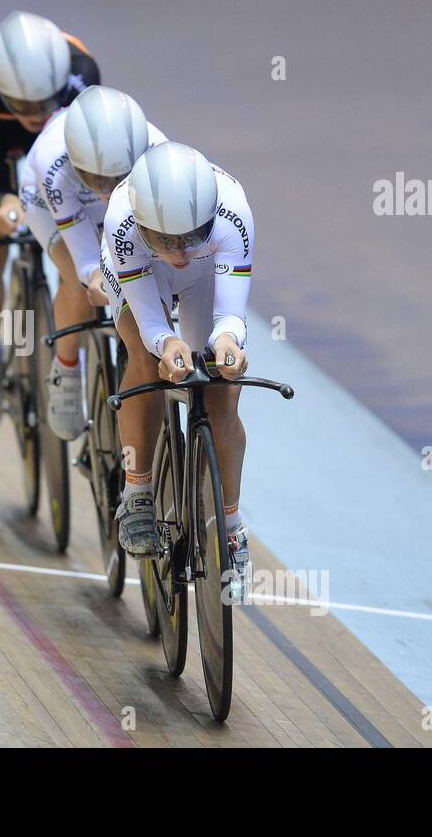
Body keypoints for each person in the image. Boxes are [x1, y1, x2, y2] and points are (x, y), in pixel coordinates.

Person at [99, 141, 256, 597]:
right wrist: (166, 342)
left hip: (208, 277)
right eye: (166, 239)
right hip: (139, 275)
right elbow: (149, 320)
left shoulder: (233, 212)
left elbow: (232, 315)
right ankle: (138, 493)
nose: (181, 251)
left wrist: (228, 341)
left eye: (191, 235)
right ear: (145, 224)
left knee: (223, 384)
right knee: (147, 362)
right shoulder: (122, 221)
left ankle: (230, 525)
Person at [0, 10, 100, 429]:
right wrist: (1, 201)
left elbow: (92, 156)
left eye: (44, 100)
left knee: (83, 251)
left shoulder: (82, 74)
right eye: (24, 104)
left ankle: (72, 362)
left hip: (59, 139)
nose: (35, 111)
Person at [21, 86, 166, 440]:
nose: (107, 188)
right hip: (50, 206)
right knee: (78, 279)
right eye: (96, 178)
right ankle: (66, 369)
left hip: (123, 211)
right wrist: (95, 276)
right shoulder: (52, 165)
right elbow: (88, 260)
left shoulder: (159, 153)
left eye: (117, 178)